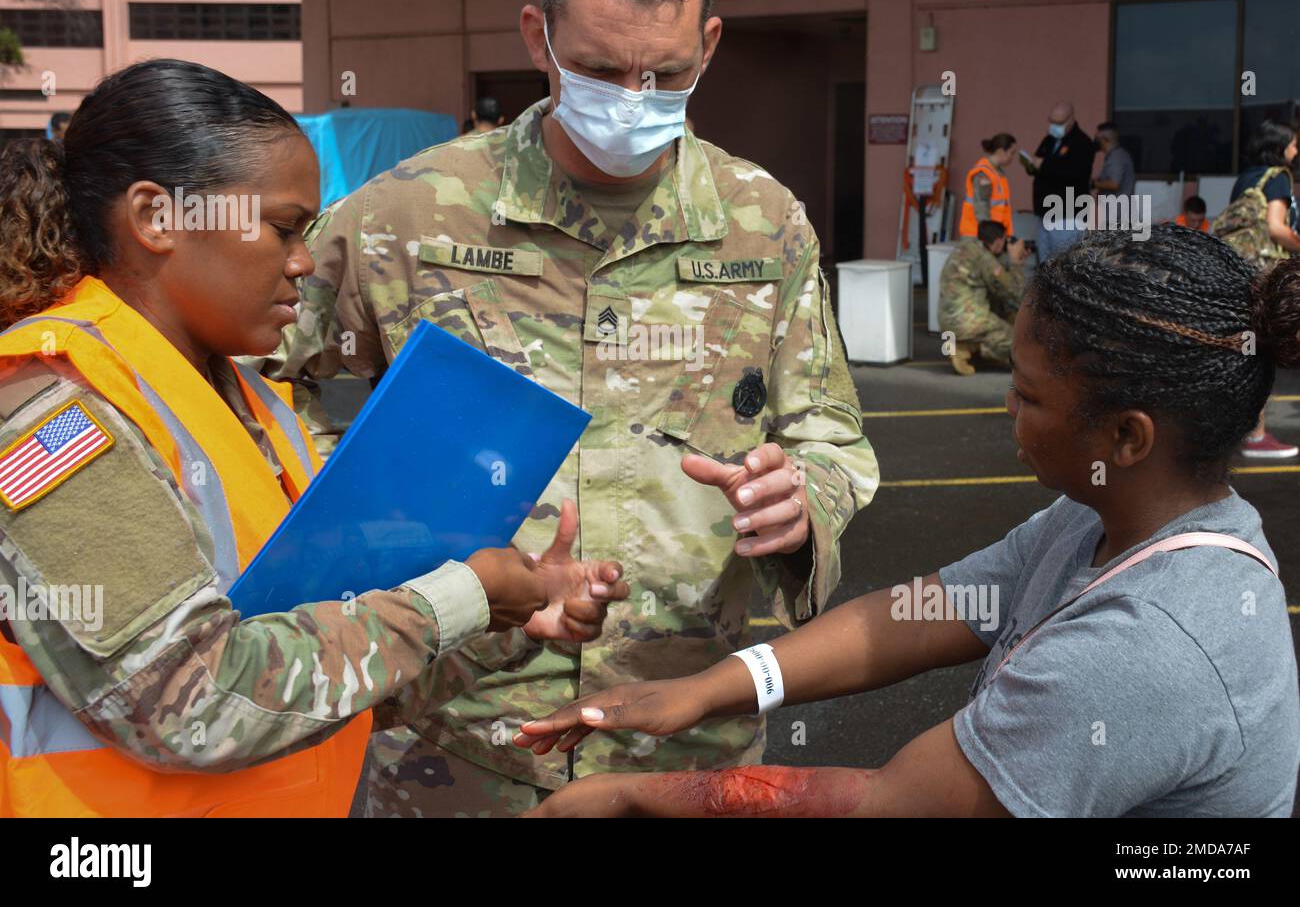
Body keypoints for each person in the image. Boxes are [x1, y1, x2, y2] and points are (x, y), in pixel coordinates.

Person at [265, 0, 879, 817]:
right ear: (536, 35)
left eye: (664, 73)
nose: (632, 99)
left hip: (684, 746)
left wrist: (800, 502)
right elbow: (255, 374)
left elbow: (831, 438)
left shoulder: (766, 225)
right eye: (597, 67)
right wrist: (355, 513)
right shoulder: (412, 215)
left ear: (708, 47)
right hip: (459, 740)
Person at [0, 58, 627, 818]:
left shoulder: (254, 403)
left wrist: (504, 619)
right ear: (155, 218)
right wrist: (459, 596)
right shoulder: (53, 411)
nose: (303, 261)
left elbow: (324, 687)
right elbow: (186, 701)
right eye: (284, 229)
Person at [519, 226, 1300, 818]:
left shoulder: (1147, 648)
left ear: (1127, 437)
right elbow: (917, 617)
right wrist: (708, 689)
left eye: (1028, 396)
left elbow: (886, 804)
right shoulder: (1099, 521)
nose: (1008, 409)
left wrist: (634, 797)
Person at [1215, 118, 1300, 459]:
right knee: (1262, 349)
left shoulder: (1246, 178)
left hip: (1237, 269)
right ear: (1280, 147)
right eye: (1293, 143)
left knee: (1241, 347)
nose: (1296, 149)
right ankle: (1257, 435)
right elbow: (1276, 228)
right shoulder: (1278, 177)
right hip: (1263, 272)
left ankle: (1233, 429)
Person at [938, 219, 1029, 375]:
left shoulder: (965, 248)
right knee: (1020, 346)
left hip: (948, 320)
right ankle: (965, 349)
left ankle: (968, 345)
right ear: (999, 241)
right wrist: (1016, 263)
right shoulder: (985, 259)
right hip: (968, 321)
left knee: (1001, 309)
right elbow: (1014, 292)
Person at [1022, 101, 1097, 261]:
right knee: (1045, 264)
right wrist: (1031, 165)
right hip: (1045, 213)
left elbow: (1074, 174)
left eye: (1058, 123)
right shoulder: (1049, 140)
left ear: (1070, 120)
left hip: (1068, 215)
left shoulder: (1082, 143)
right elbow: (1038, 162)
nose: (1054, 127)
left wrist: (1043, 165)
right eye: (1052, 122)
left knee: (1066, 264)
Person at [956, 133, 1015, 239]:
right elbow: (981, 207)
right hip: (979, 236)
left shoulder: (997, 173)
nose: (1012, 157)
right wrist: (990, 236)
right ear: (1001, 151)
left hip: (991, 236)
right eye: (1011, 153)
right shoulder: (984, 173)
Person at [1090, 121, 1136, 220]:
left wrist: (1093, 183)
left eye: (1096, 138)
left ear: (1104, 140)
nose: (1094, 141)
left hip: (1117, 217)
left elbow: (1114, 184)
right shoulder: (1117, 155)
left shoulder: (1116, 157)